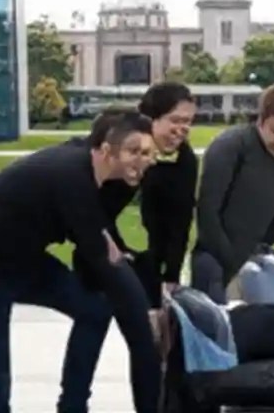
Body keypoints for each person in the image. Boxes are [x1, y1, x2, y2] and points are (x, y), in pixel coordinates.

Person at [0, 110, 163, 413]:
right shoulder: (71, 177)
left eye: (148, 153)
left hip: (24, 259)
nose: (145, 160)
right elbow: (101, 259)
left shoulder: (89, 170)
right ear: (107, 150)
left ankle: (72, 406)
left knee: (95, 309)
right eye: (135, 152)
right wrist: (142, 314)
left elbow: (104, 240)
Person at [74, 83, 199, 306]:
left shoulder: (185, 161)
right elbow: (95, 208)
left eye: (187, 122)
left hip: (147, 257)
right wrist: (118, 251)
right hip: (97, 242)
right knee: (96, 312)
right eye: (175, 120)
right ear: (150, 119)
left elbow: (179, 222)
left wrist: (171, 275)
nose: (182, 129)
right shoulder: (120, 153)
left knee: (154, 321)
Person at [192, 80, 274, 304]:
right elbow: (207, 213)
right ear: (261, 121)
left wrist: (256, 254)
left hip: (256, 256)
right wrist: (234, 264)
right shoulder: (230, 146)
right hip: (215, 256)